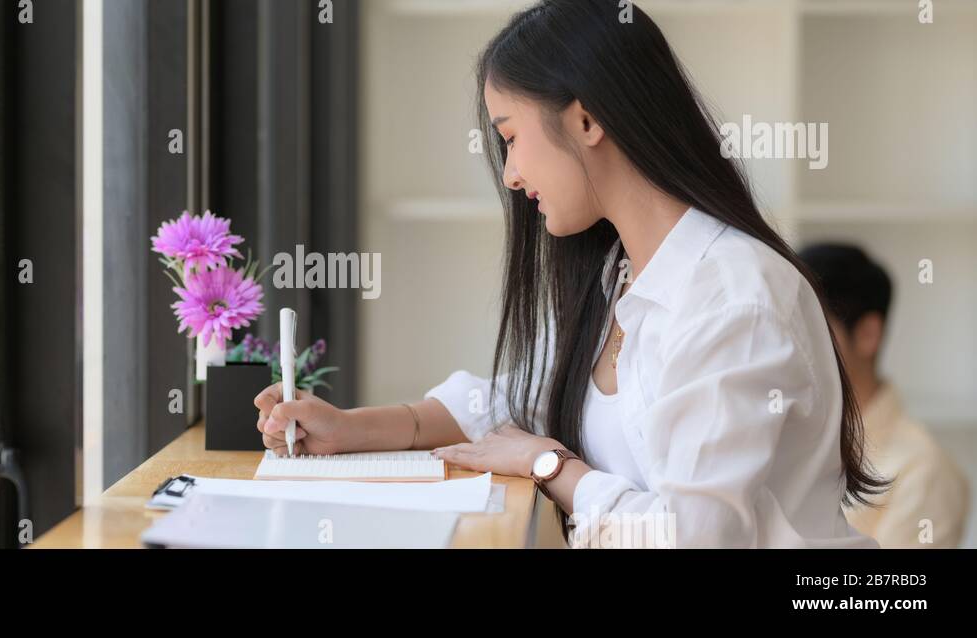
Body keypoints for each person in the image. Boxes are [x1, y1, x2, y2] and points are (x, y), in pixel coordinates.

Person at [254, 0, 885, 548]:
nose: (508, 175)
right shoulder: (624, 272)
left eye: (511, 137)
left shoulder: (733, 299)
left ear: (586, 120)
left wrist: (550, 466)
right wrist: (348, 428)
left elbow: (693, 540)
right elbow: (514, 394)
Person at [800, 243, 969, 548]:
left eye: (812, 329)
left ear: (867, 334)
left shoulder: (925, 472)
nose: (793, 348)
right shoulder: (792, 442)